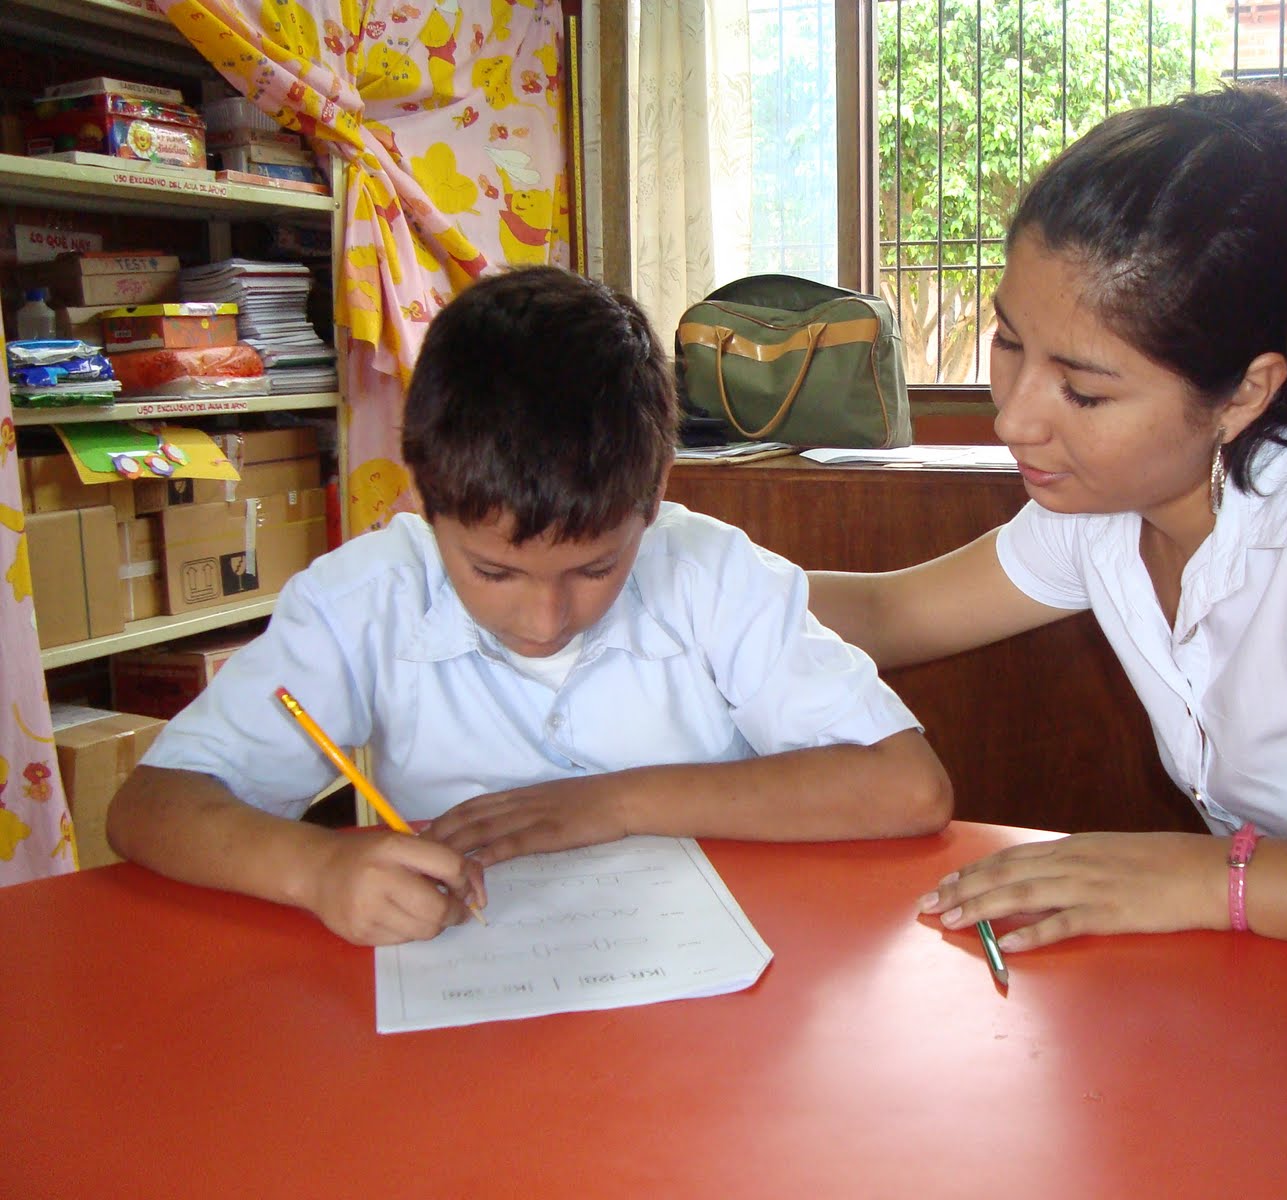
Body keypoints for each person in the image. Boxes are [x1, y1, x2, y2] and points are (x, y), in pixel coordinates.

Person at [807, 86, 1287, 990]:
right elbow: (891, 609)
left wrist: (1214, 880)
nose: (1015, 418)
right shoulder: (1114, 500)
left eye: (1086, 392)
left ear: (1245, 394)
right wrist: (661, 563)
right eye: (1009, 341)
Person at [108, 265, 952, 946]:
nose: (543, 622)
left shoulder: (708, 573)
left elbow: (906, 788)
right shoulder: (364, 599)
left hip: (711, 1001)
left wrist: (614, 803)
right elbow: (150, 809)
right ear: (426, 503)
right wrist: (318, 871)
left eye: (595, 569)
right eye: (494, 573)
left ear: (653, 495)